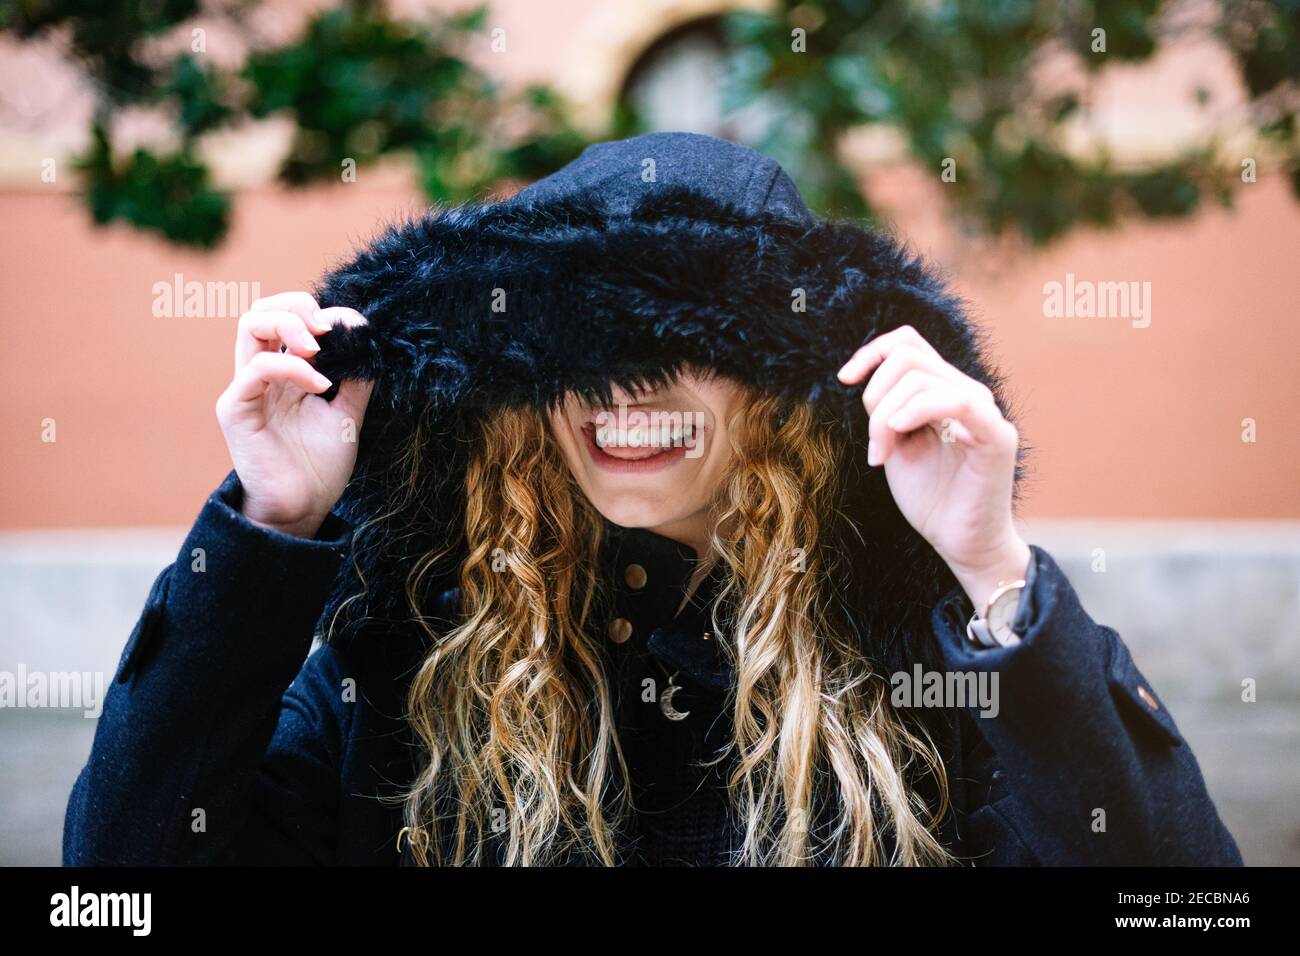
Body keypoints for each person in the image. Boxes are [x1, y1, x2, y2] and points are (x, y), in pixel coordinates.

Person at [64, 132, 1241, 866]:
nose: (627, 387)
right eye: (586, 339)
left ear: (786, 382)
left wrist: (992, 575)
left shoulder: (928, 672)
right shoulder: (401, 669)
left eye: (686, 338)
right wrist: (266, 532)